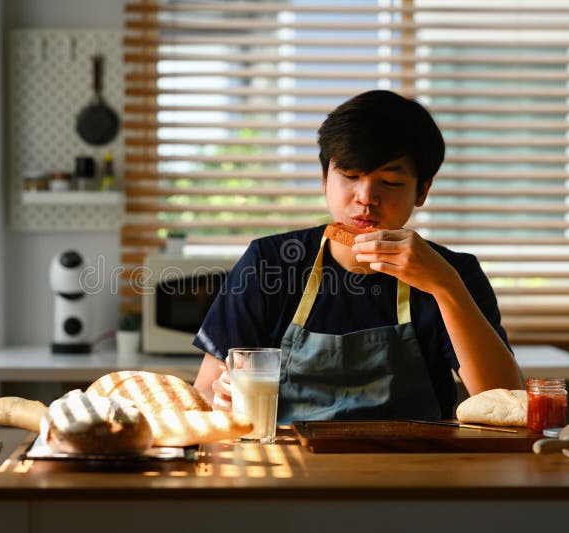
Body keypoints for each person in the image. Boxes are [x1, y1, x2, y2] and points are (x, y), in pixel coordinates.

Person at [192, 90, 523, 422]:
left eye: (390, 182)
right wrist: (223, 397)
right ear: (325, 179)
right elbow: (205, 392)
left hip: (416, 455)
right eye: (351, 176)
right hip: (290, 453)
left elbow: (507, 401)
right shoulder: (269, 262)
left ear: (422, 190)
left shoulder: (453, 272)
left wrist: (446, 287)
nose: (366, 197)